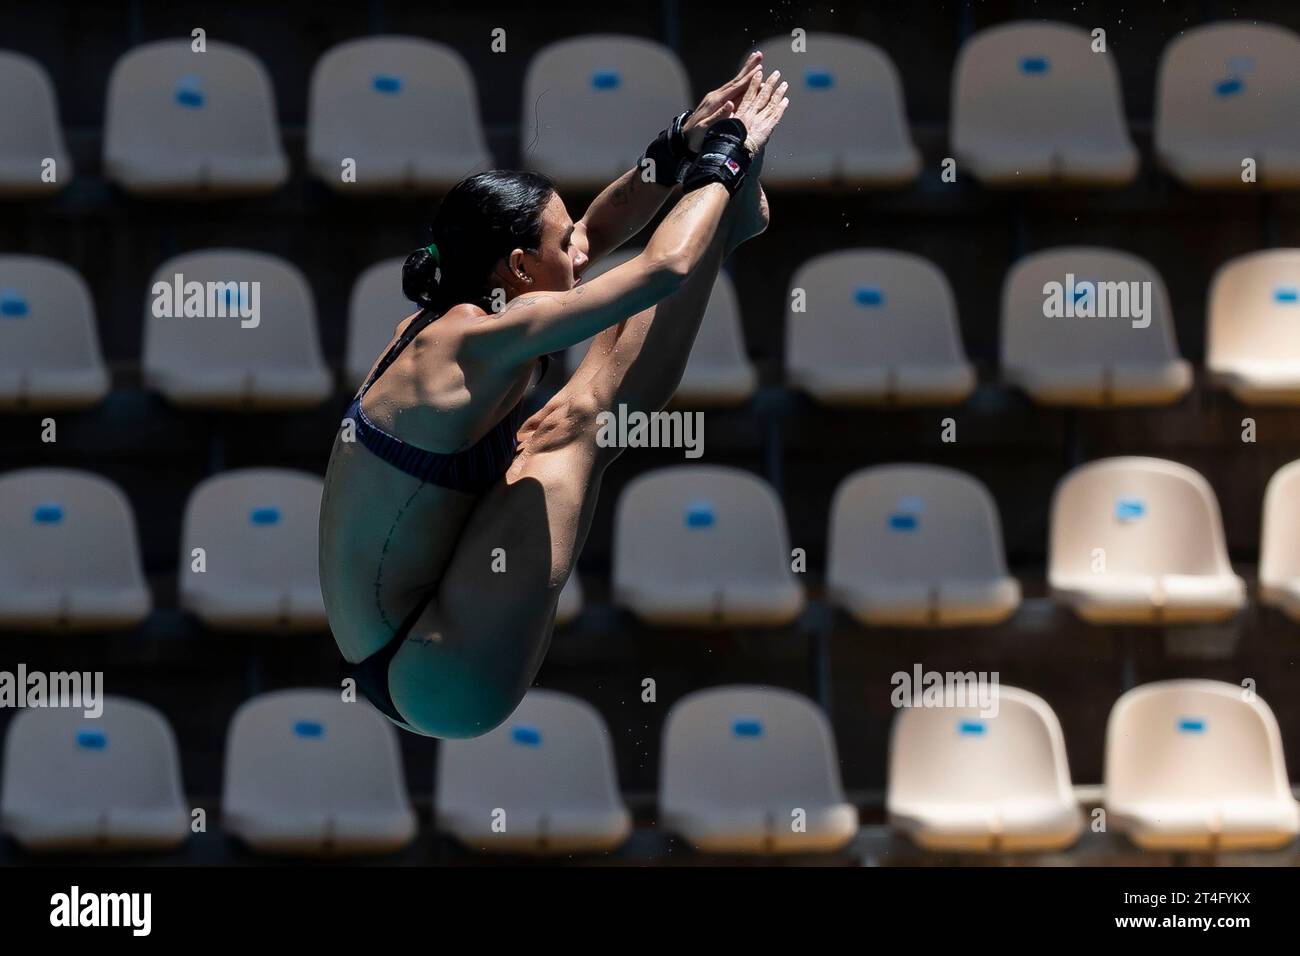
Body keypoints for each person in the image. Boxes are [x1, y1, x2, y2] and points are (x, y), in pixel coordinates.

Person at [319, 53, 789, 737]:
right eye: (563, 240)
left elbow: (601, 230)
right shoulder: (474, 343)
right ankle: (725, 225)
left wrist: (680, 144)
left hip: (413, 637)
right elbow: (664, 267)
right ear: (516, 267)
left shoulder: (460, 311)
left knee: (557, 426)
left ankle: (724, 221)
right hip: (437, 674)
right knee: (582, 424)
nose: (582, 245)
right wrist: (728, 159)